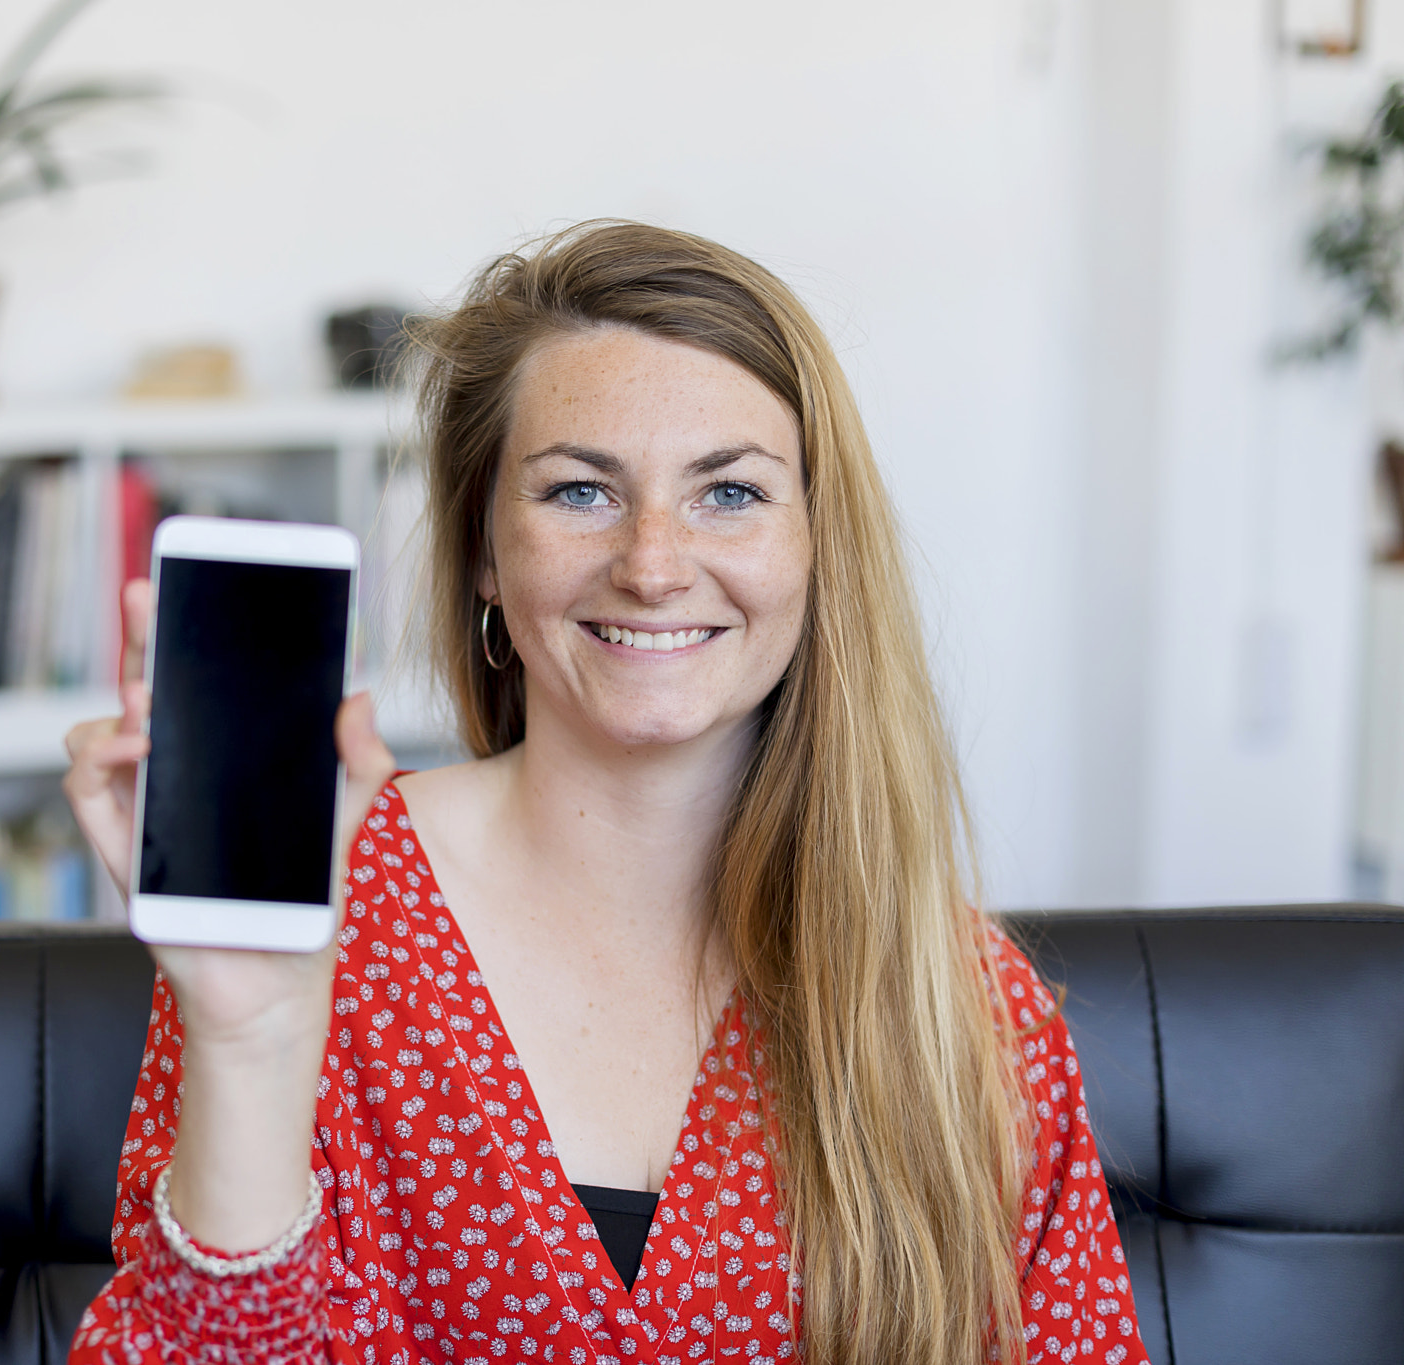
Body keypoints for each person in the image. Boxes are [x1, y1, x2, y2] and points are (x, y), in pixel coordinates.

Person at [62, 221, 1146, 1365]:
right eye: (580, 492)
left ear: (818, 546)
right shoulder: (315, 904)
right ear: (484, 550)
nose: (653, 562)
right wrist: (252, 1044)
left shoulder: (964, 1007)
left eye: (728, 492)